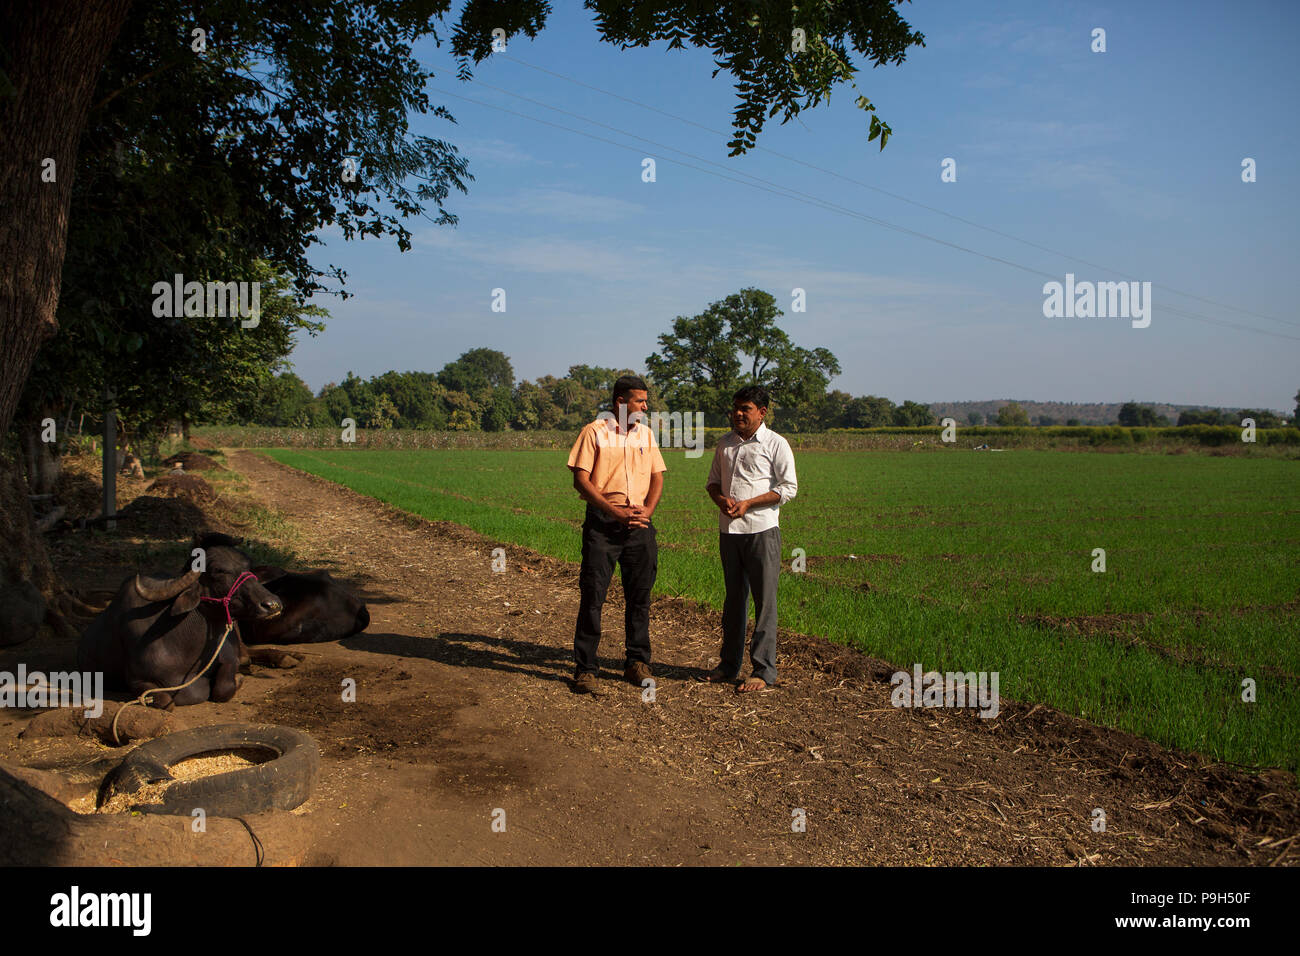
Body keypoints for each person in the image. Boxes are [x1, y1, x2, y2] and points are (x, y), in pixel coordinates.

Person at [566, 375, 667, 695]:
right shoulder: (594, 432)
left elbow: (657, 478)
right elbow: (581, 481)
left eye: (645, 401)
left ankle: (637, 663)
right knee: (593, 596)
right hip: (603, 524)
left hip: (639, 525)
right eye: (640, 401)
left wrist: (647, 513)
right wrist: (614, 512)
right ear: (620, 403)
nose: (645, 406)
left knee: (640, 596)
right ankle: (586, 668)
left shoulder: (647, 436)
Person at [704, 385, 797, 692]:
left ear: (762, 412)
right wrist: (722, 501)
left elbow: (788, 488)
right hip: (729, 533)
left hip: (762, 532)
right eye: (736, 408)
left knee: (764, 603)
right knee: (733, 602)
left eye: (745, 408)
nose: (738, 413)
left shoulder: (775, 444)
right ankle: (729, 665)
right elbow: (713, 484)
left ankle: (763, 670)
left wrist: (748, 503)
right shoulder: (725, 444)